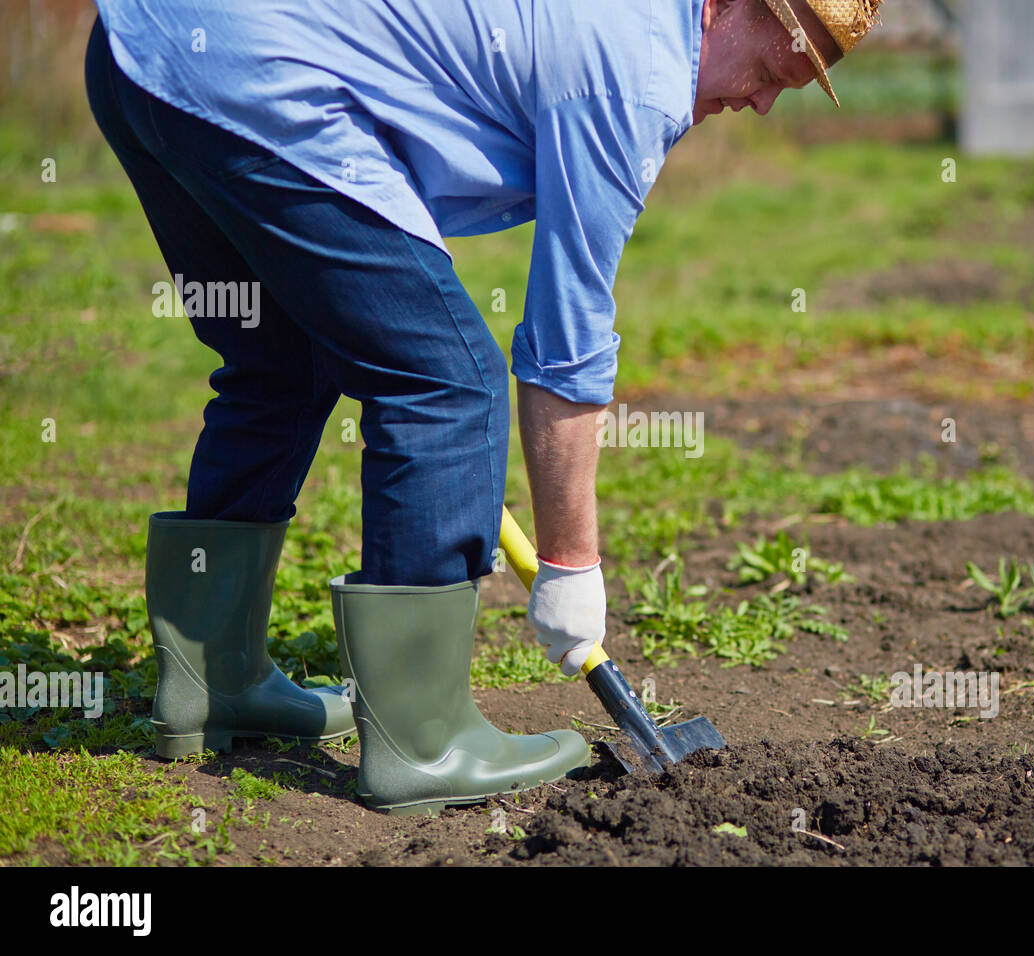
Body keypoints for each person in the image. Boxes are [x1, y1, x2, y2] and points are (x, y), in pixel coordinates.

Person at [84, 0, 881, 815]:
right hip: (251, 79)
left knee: (277, 361)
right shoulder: (637, 76)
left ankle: (213, 681)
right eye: (777, 69)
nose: (761, 101)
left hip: (145, 50)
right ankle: (422, 745)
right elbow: (565, 344)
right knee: (446, 381)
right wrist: (572, 564)